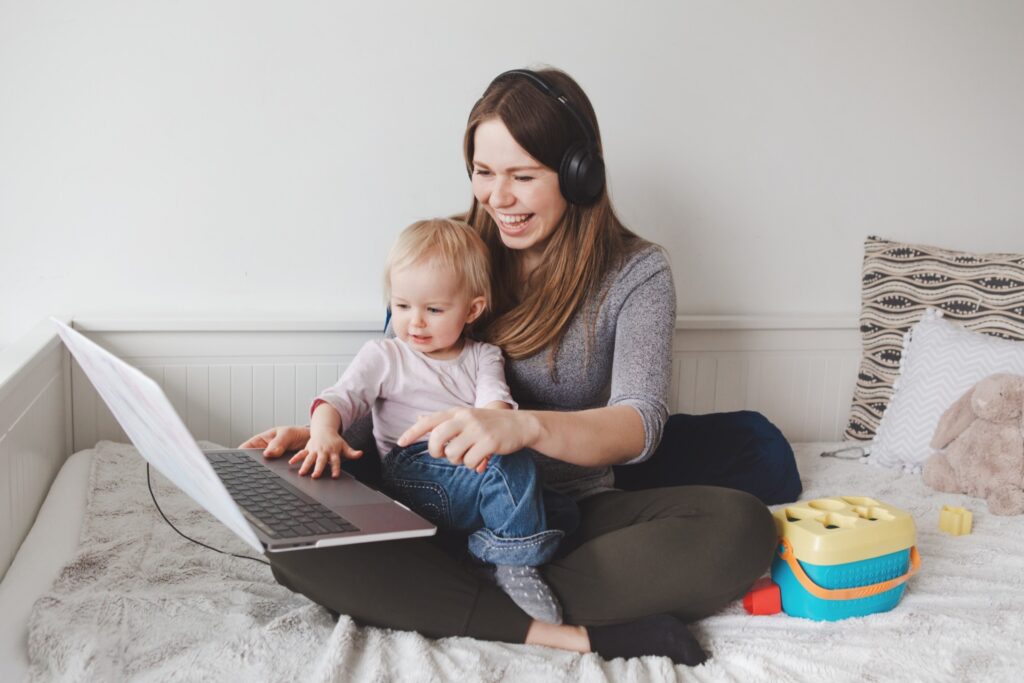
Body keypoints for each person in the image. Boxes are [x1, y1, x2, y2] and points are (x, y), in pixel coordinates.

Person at [243, 67, 802, 667]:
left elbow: (641, 425)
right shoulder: (446, 253)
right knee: (291, 539)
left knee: (743, 528)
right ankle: (547, 617)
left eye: (523, 176)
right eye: (484, 172)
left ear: (579, 176)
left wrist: (524, 427)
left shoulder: (637, 274)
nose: (498, 197)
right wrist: (323, 436)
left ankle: (465, 586)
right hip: (433, 499)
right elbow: (395, 384)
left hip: (567, 511)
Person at [297, 217, 574, 624]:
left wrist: (491, 438)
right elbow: (339, 399)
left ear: (472, 309)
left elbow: (496, 407)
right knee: (513, 470)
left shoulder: (485, 356)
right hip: (412, 470)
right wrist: (323, 432)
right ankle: (517, 566)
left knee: (564, 510)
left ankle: (479, 551)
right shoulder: (386, 355)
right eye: (402, 306)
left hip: (470, 462)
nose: (415, 322)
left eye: (433, 309)